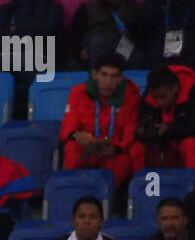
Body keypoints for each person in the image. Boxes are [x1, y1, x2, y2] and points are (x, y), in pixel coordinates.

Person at [0, 0, 66, 118]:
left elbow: (45, 31)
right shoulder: (6, 10)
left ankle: (30, 117)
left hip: (41, 58)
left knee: (24, 60)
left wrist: (14, 30)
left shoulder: (53, 9)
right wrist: (27, 32)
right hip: (6, 56)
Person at [59, 52, 141, 188]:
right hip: (87, 148)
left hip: (112, 152)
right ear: (94, 74)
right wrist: (76, 135)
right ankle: (73, 191)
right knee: (71, 147)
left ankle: (107, 198)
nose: (108, 82)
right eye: (104, 74)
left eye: (114, 76)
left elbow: (130, 135)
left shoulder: (131, 96)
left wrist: (116, 149)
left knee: (125, 158)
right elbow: (67, 128)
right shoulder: (78, 92)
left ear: (121, 78)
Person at [130, 65, 195, 178]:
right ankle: (141, 189)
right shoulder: (148, 98)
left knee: (190, 144)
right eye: (155, 97)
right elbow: (142, 123)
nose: (159, 103)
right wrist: (141, 132)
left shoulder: (194, 95)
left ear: (175, 88)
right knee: (137, 149)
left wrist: (170, 129)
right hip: (162, 148)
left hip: (188, 149)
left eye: (163, 97)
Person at [67, 0, 146, 69]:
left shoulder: (136, 9)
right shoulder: (87, 8)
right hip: (95, 54)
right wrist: (78, 52)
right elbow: (73, 37)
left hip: (125, 54)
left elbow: (145, 38)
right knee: (97, 41)